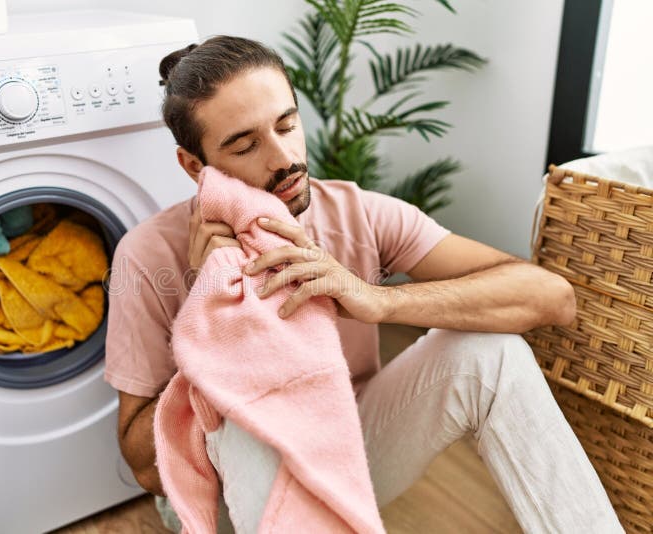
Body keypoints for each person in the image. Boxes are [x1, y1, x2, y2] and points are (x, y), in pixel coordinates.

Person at [104, 35, 623, 533]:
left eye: (286, 125)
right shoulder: (148, 255)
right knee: (251, 402)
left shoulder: (357, 213)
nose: (282, 158)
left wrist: (375, 299)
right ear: (196, 166)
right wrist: (216, 315)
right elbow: (144, 466)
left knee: (491, 353)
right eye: (245, 146)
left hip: (340, 454)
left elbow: (552, 297)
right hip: (219, 497)